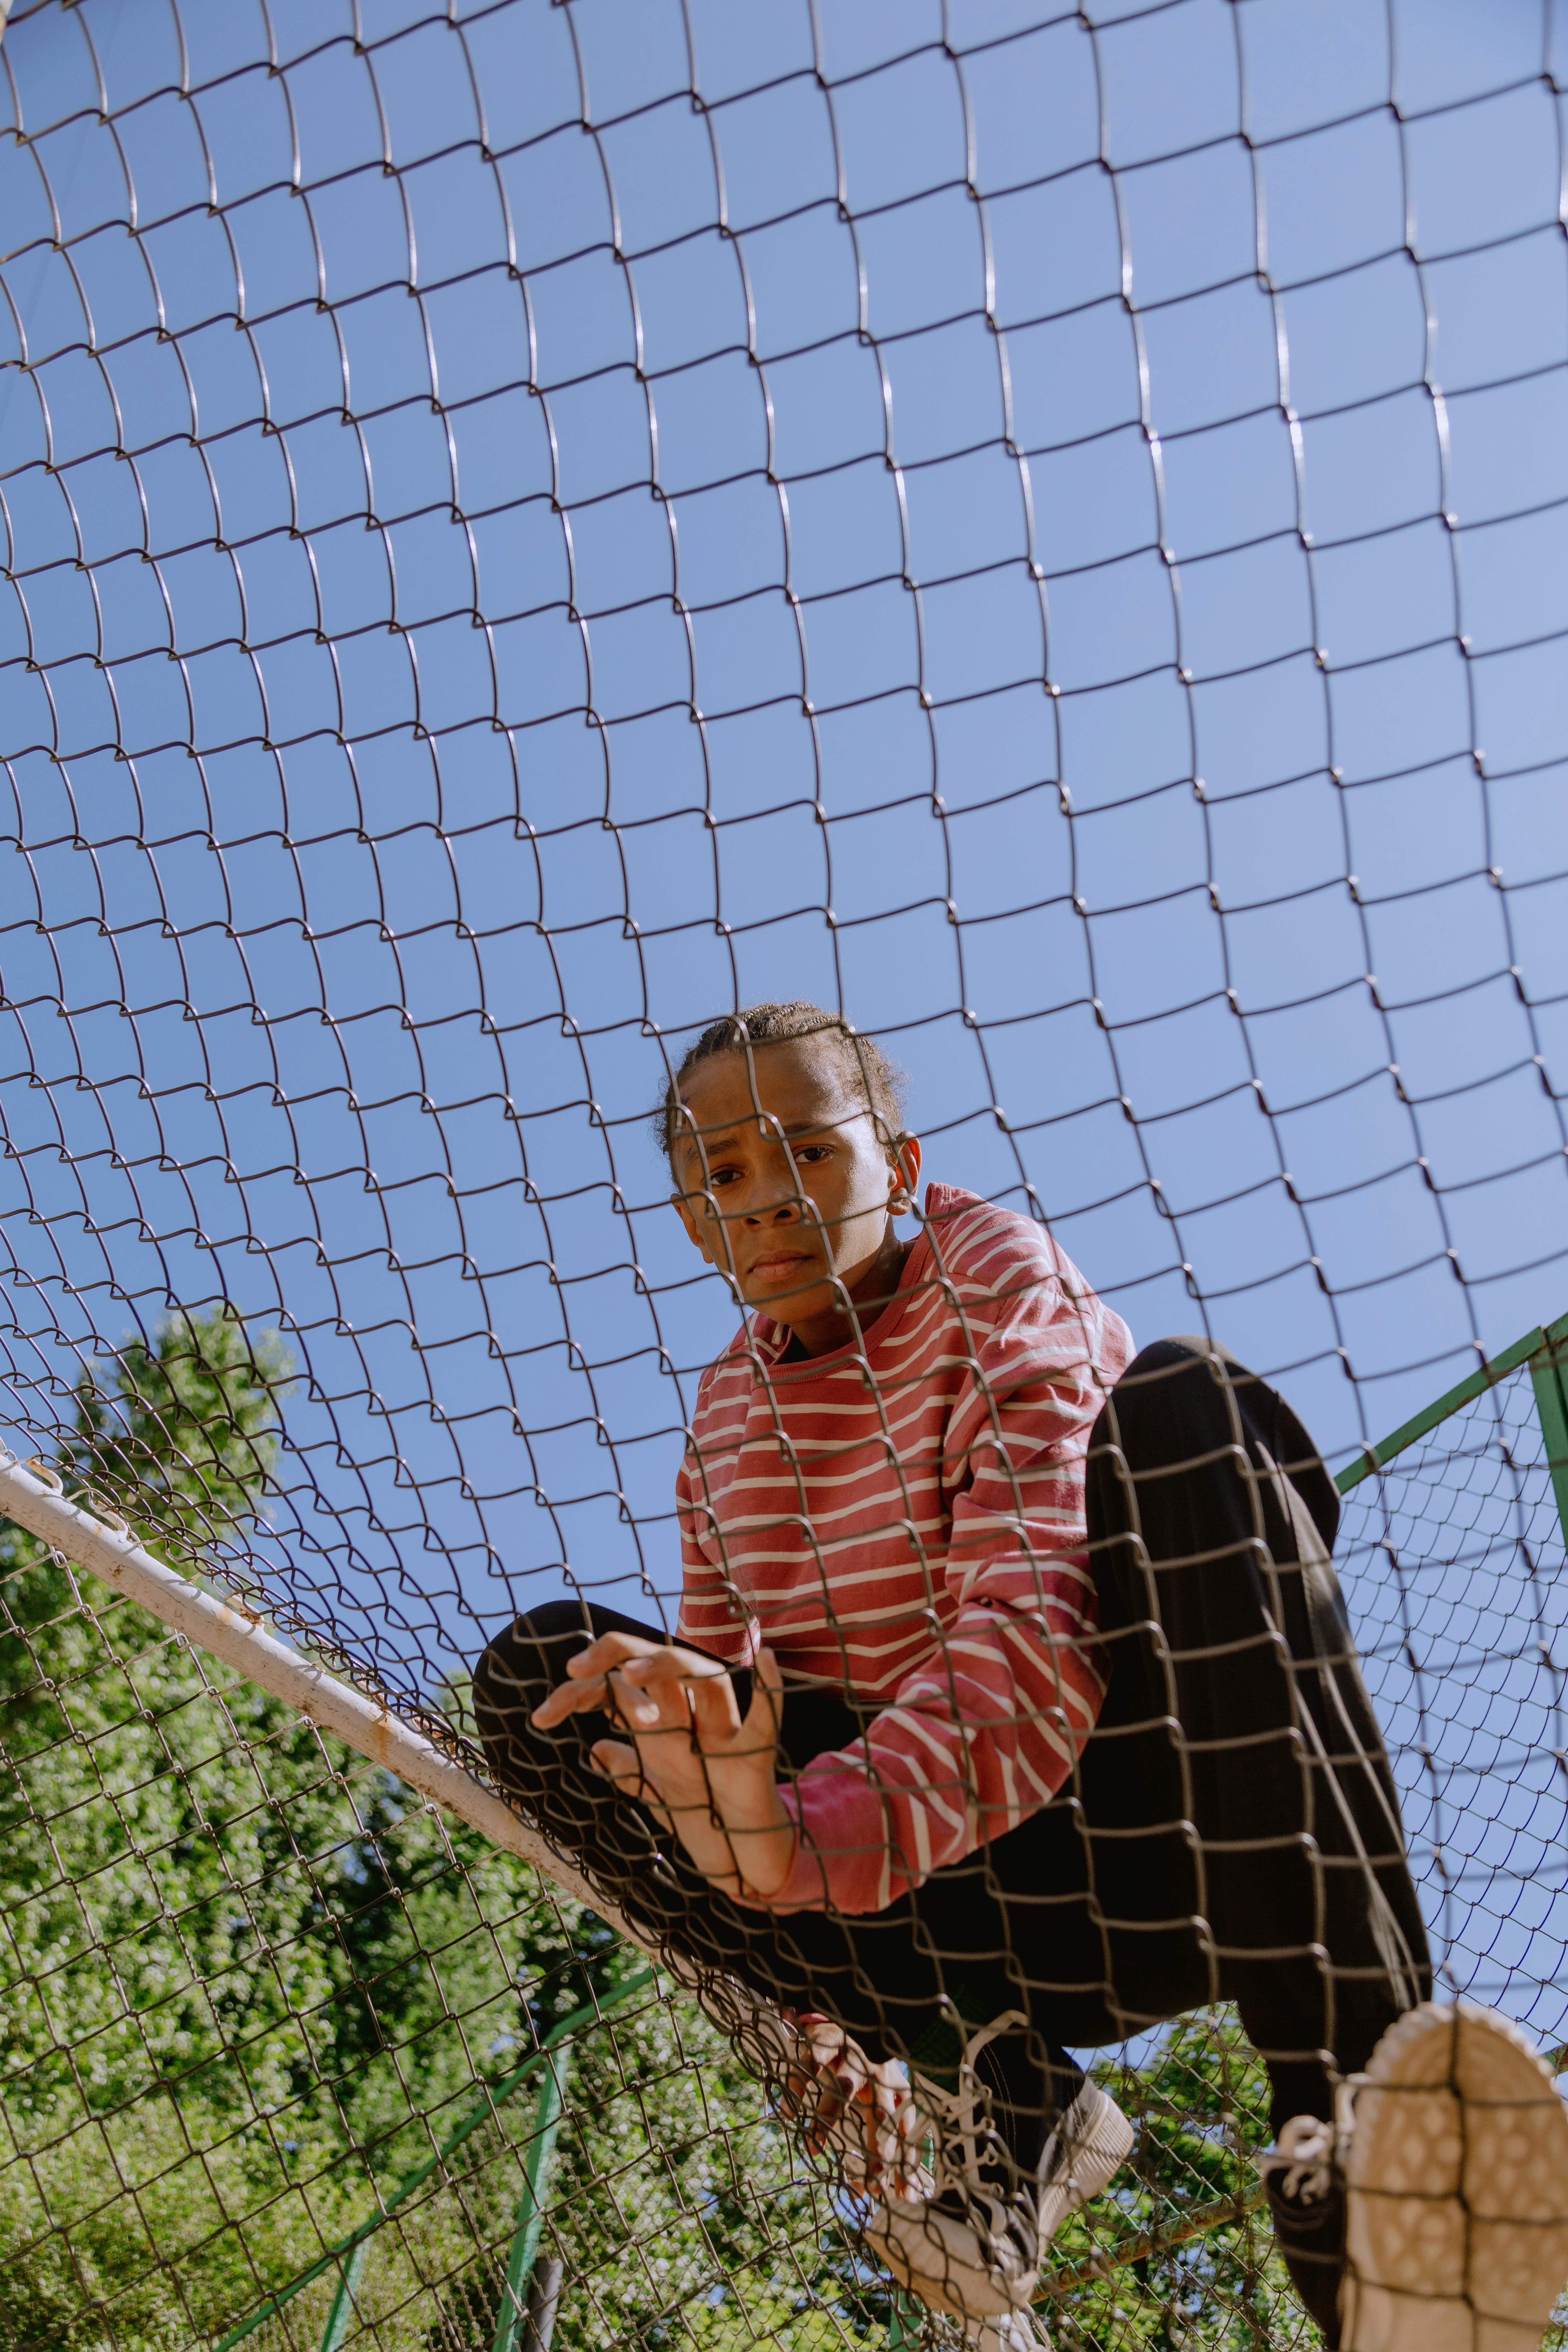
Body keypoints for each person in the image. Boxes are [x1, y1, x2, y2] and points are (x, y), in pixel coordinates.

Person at [474, 1002, 1568, 2351]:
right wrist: (785, 1969)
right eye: (725, 1178)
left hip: (1148, 1840)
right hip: (931, 1914)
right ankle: (1008, 2096)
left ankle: (1361, 2158)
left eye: (808, 1153)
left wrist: (797, 1837)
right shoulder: (720, 1432)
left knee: (1188, 1415)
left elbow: (1033, 1624)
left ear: (902, 1162)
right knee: (553, 1676)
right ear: (696, 1225)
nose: (767, 1202)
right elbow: (727, 1705)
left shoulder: (995, 1275)